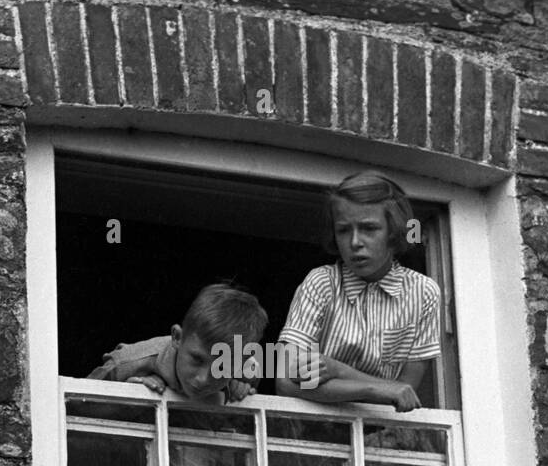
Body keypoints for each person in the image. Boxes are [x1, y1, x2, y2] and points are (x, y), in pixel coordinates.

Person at [276, 172, 441, 411]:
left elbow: (406, 394)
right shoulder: (322, 282)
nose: (355, 242)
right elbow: (284, 381)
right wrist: (374, 388)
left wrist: (339, 370)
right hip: (314, 433)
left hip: (381, 439)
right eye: (343, 230)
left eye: (369, 228)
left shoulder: (423, 293)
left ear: (393, 232)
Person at [87, 282, 268, 404]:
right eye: (197, 359)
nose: (203, 379)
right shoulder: (128, 363)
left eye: (221, 368)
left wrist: (237, 387)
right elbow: (74, 408)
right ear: (177, 337)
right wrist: (126, 398)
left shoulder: (246, 370)